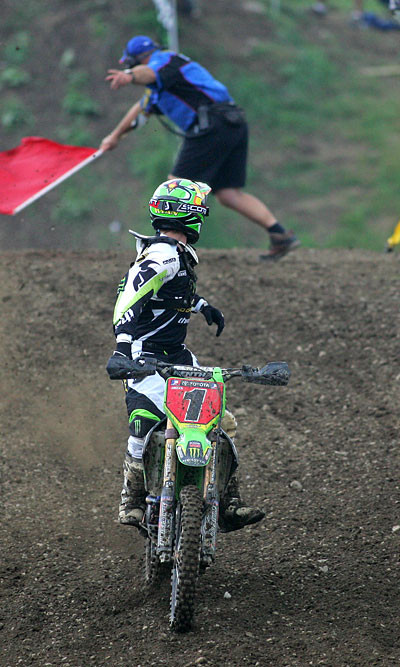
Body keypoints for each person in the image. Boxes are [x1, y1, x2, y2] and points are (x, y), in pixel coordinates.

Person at [106, 177, 265, 532]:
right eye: (201, 211)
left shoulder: (169, 253)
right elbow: (130, 297)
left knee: (220, 423)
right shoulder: (163, 255)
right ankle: (130, 499)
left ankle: (228, 502)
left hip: (178, 356)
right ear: (189, 215)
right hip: (144, 358)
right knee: (145, 422)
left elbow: (167, 295)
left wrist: (202, 306)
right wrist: (122, 349)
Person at [99, 35, 300, 261]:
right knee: (228, 193)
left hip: (212, 124)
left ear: (140, 59)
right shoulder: (157, 90)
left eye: (131, 65)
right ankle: (280, 234)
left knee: (176, 185)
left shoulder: (165, 61)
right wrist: (114, 136)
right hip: (232, 123)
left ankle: (170, 249)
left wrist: (129, 76)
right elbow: (139, 110)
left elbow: (149, 73)